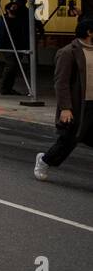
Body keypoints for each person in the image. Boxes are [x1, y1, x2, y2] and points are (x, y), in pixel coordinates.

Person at [34, 17, 93, 181]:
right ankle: (44, 160)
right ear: (89, 32)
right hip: (79, 106)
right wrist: (66, 108)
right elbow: (61, 82)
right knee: (69, 141)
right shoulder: (68, 52)